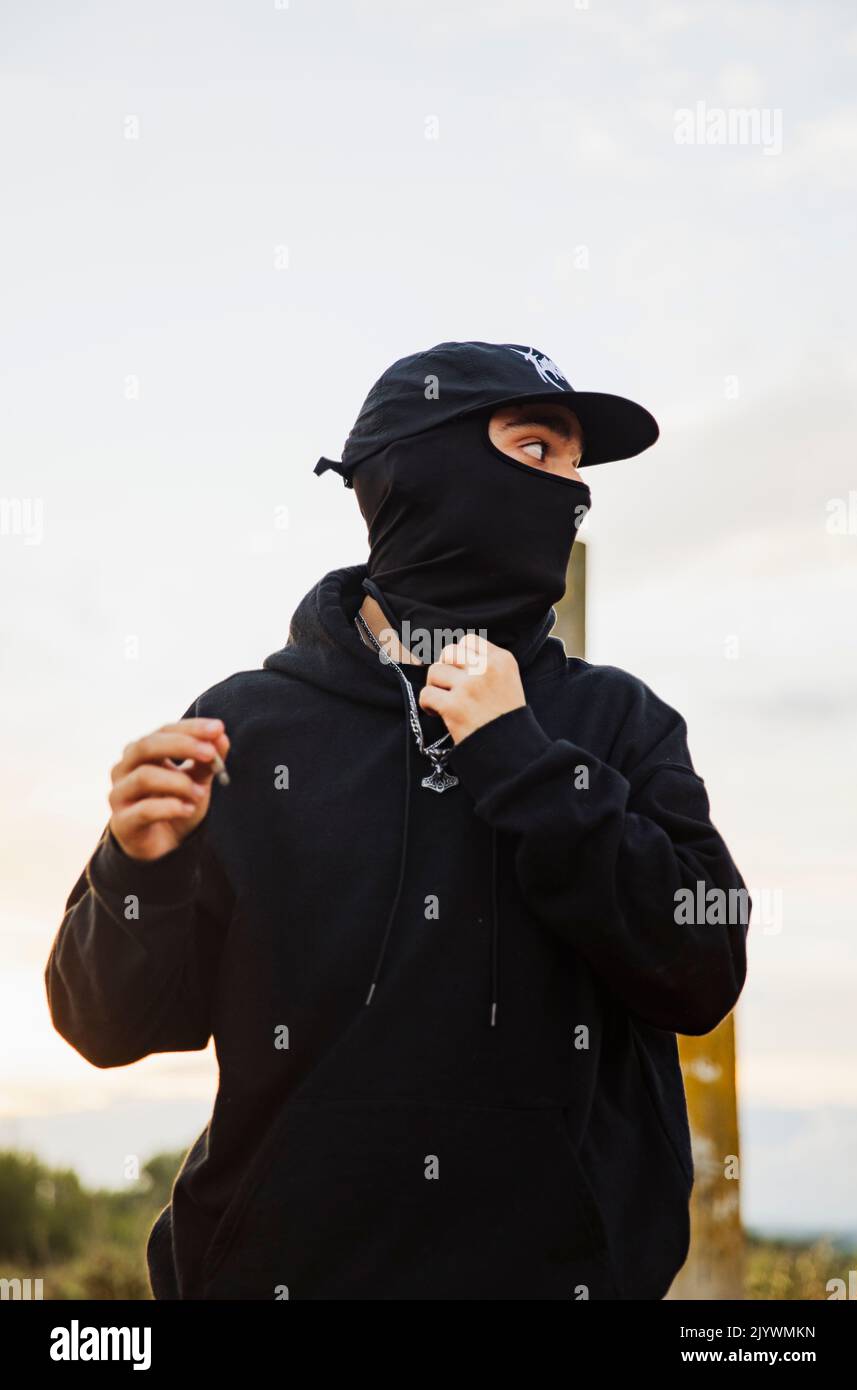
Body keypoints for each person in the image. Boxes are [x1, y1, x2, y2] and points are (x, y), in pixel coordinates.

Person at [45, 340, 750, 1301]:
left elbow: (702, 968)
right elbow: (109, 1025)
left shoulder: (616, 720)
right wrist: (138, 871)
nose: (572, 491)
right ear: (422, 466)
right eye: (539, 450)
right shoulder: (244, 725)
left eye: (578, 467)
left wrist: (527, 765)